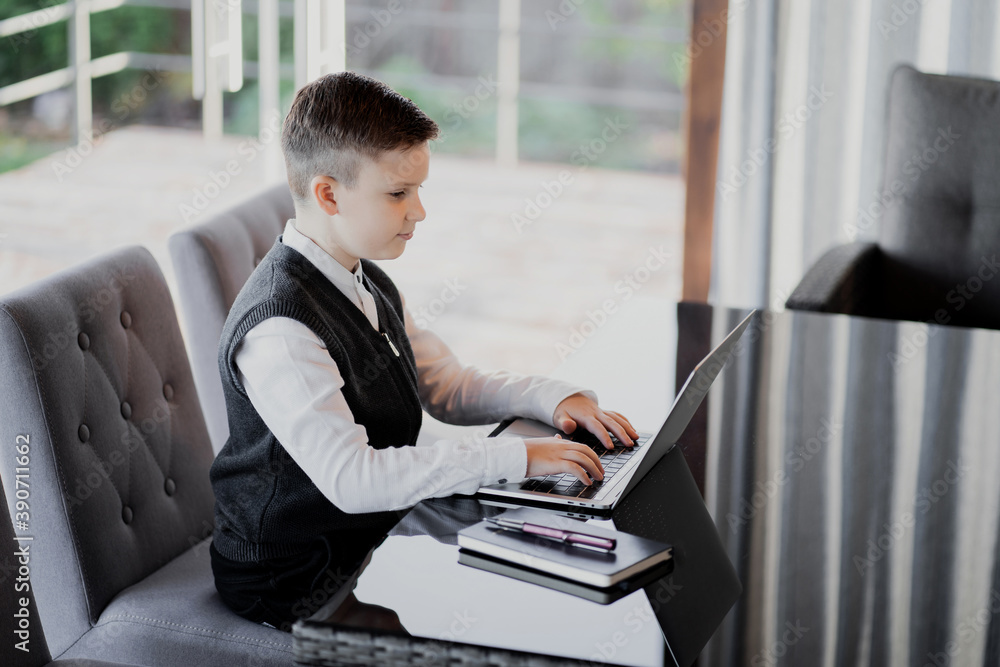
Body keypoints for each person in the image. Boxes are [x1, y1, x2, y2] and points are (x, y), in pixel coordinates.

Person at [208, 71, 639, 632]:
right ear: (329, 193)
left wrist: (552, 401)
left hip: (364, 531)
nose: (419, 212)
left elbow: (447, 386)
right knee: (492, 617)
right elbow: (355, 479)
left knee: (553, 557)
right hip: (293, 573)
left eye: (418, 190)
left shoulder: (364, 278)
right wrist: (518, 458)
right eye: (398, 193)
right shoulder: (280, 327)